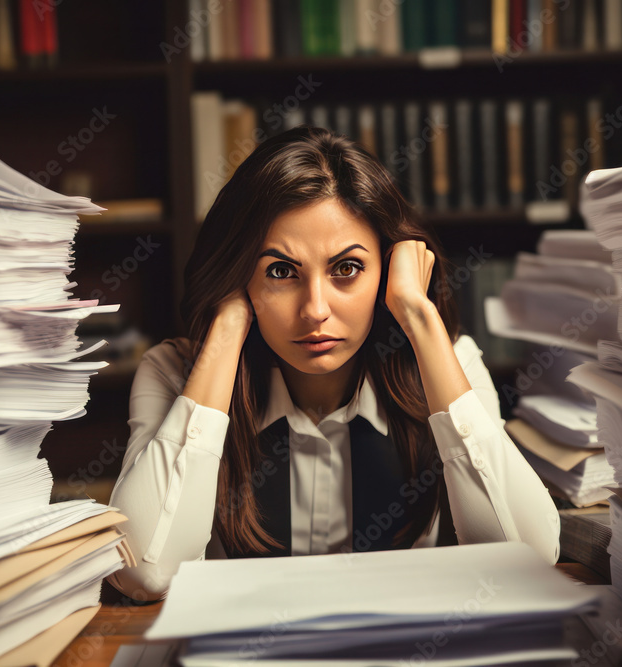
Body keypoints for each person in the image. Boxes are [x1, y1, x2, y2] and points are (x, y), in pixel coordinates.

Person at [107, 126, 560, 601]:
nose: (315, 310)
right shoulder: (175, 372)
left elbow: (526, 557)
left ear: (387, 269)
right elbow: (145, 572)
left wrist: (418, 316)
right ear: (238, 276)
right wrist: (228, 324)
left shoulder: (450, 366)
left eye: (347, 268)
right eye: (280, 272)